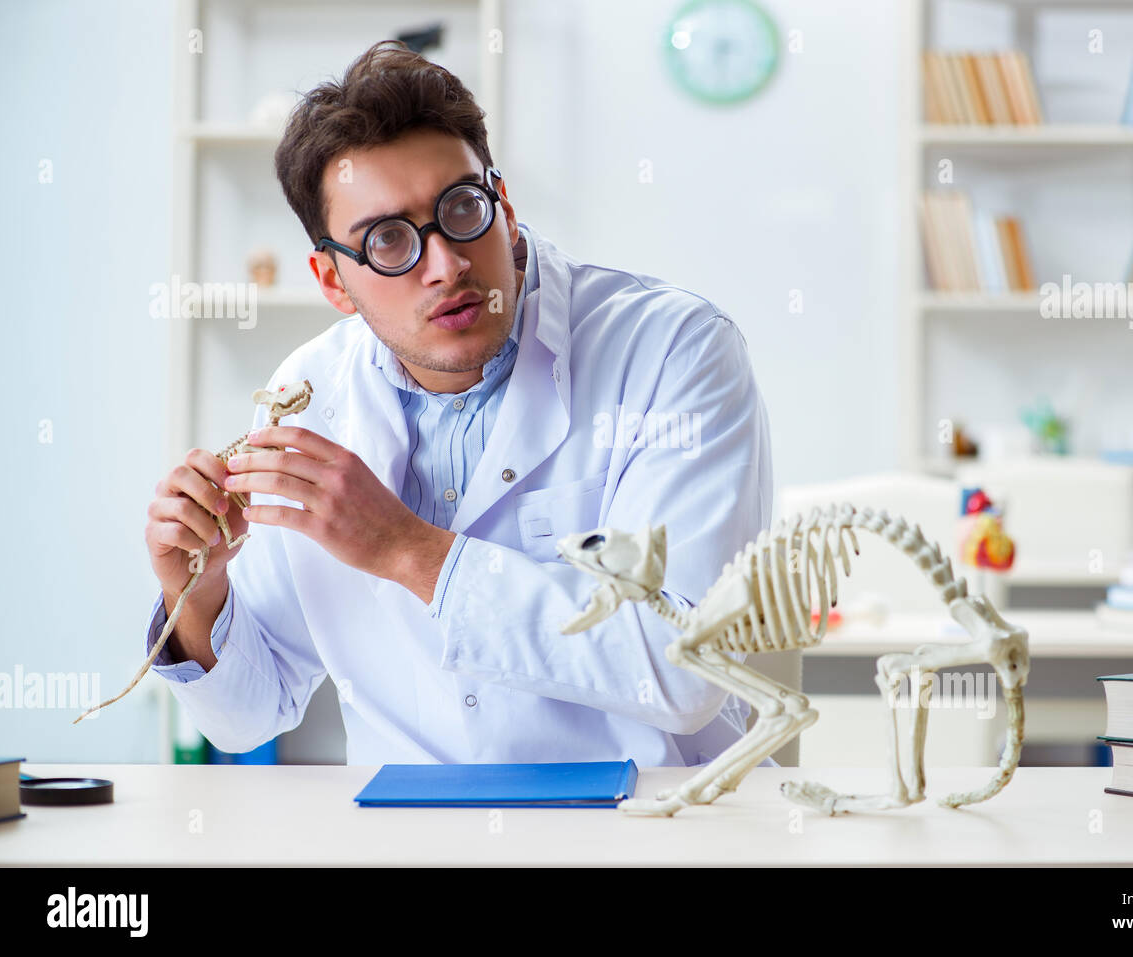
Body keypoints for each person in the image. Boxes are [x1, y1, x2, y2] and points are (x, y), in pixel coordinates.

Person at [142, 41, 775, 767]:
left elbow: (688, 669)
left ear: (502, 205)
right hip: (406, 833)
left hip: (652, 824)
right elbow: (251, 715)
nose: (445, 266)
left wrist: (407, 549)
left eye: (463, 208)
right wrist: (198, 588)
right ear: (332, 280)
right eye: (387, 241)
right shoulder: (310, 392)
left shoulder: (673, 351)